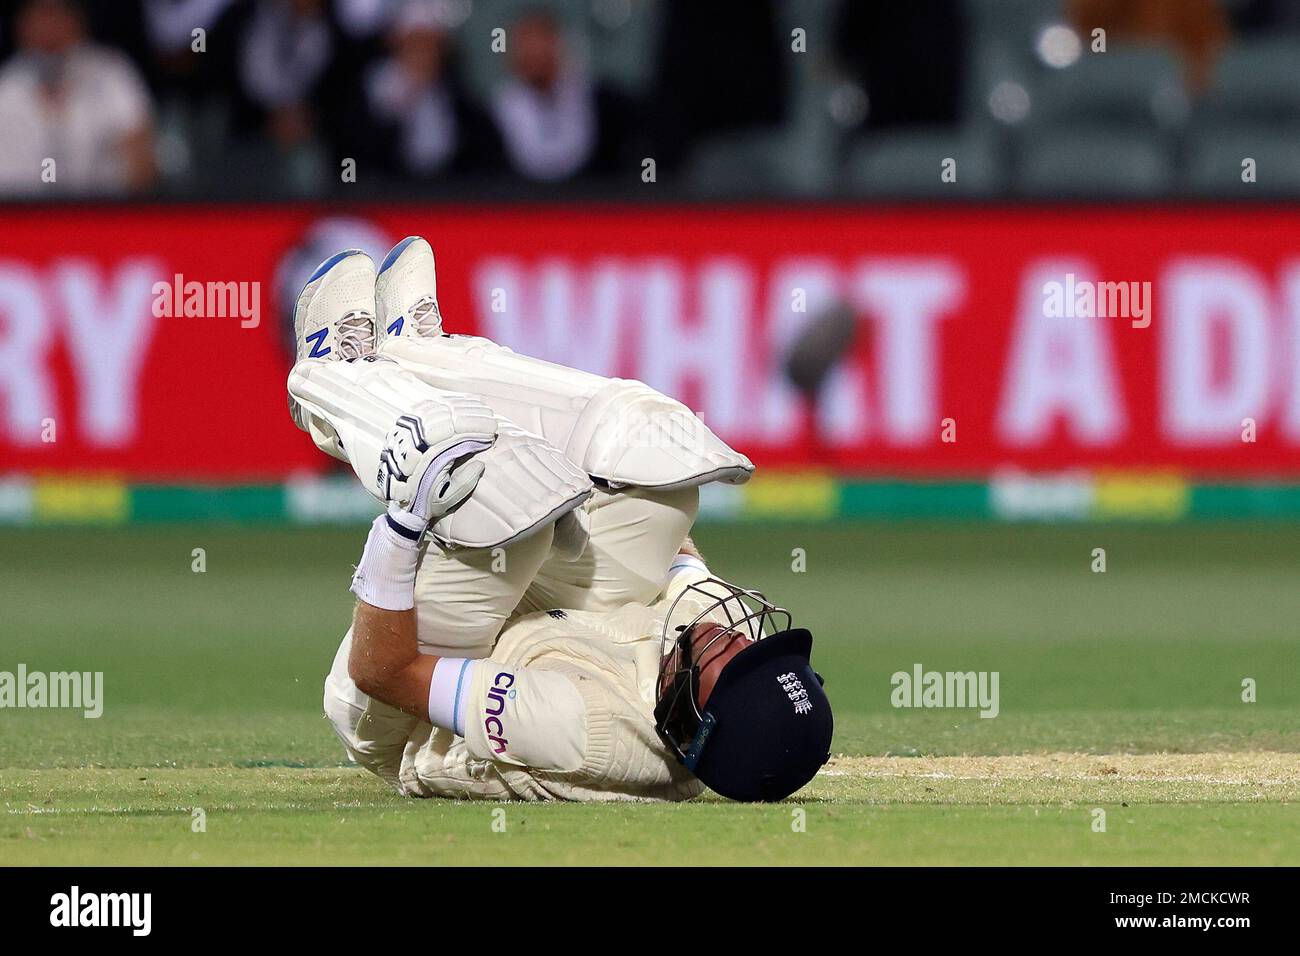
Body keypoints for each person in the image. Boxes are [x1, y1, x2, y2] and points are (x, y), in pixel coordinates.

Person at [287, 236, 834, 801]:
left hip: (399, 710)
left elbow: (387, 674)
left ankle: (331, 381)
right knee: (663, 457)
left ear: (694, 717)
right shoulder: (713, 634)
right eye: (757, 649)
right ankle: (418, 357)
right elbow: (672, 549)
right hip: (544, 620)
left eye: (734, 662)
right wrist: (623, 491)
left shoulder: (582, 730)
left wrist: (402, 528)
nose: (739, 637)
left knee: (507, 502)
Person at [0, 0, 157, 195]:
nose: (48, 28)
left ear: (76, 21)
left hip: (101, 214)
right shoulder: (6, 85)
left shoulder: (111, 74)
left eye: (56, 15)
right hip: (18, 215)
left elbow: (141, 161)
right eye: (40, 16)